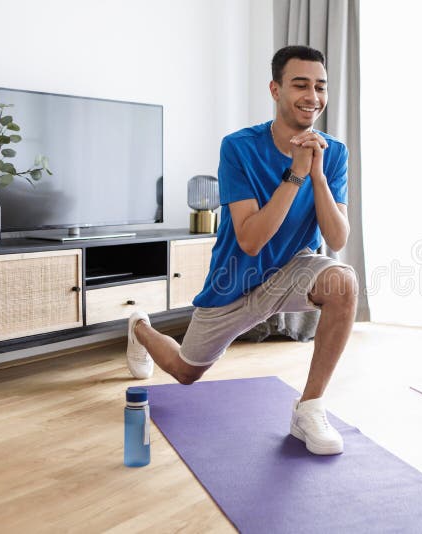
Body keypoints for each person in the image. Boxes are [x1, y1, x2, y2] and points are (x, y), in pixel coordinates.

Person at [125, 45, 358, 456]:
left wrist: (317, 176)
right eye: (300, 84)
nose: (312, 96)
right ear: (275, 89)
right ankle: (140, 329)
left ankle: (310, 408)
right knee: (185, 371)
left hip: (292, 271)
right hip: (236, 279)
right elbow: (250, 239)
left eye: (320, 86)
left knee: (343, 282)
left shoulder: (333, 152)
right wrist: (296, 175)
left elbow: (337, 240)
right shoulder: (239, 147)